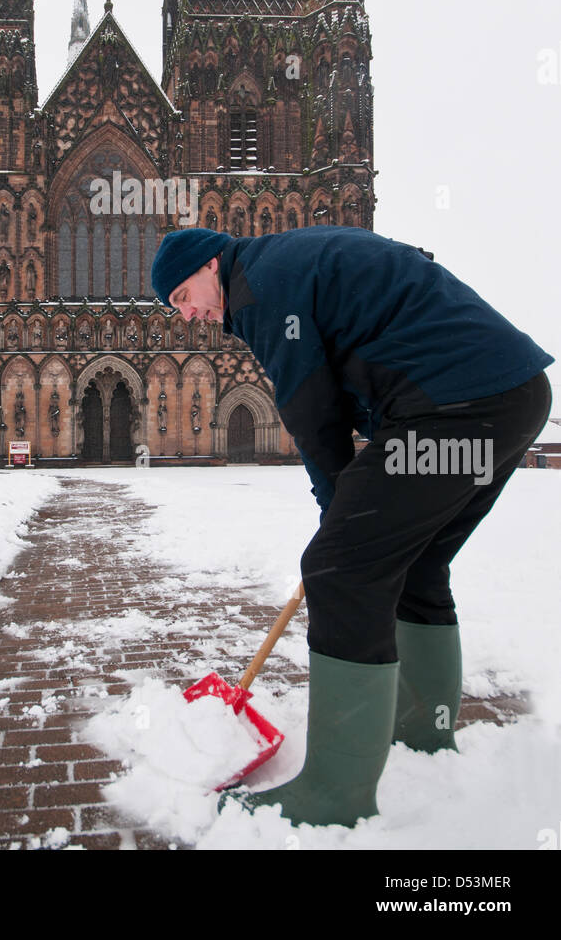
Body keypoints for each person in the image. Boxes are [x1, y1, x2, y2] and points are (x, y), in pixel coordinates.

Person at [150, 225, 554, 827]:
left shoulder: (260, 285)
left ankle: (335, 793)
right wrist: (347, 508)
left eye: (184, 295)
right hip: (511, 396)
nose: (187, 315)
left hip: (458, 406)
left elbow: (312, 411)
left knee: (340, 571)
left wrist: (337, 512)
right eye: (176, 307)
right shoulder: (280, 264)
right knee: (415, 563)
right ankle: (423, 733)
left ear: (211, 264)